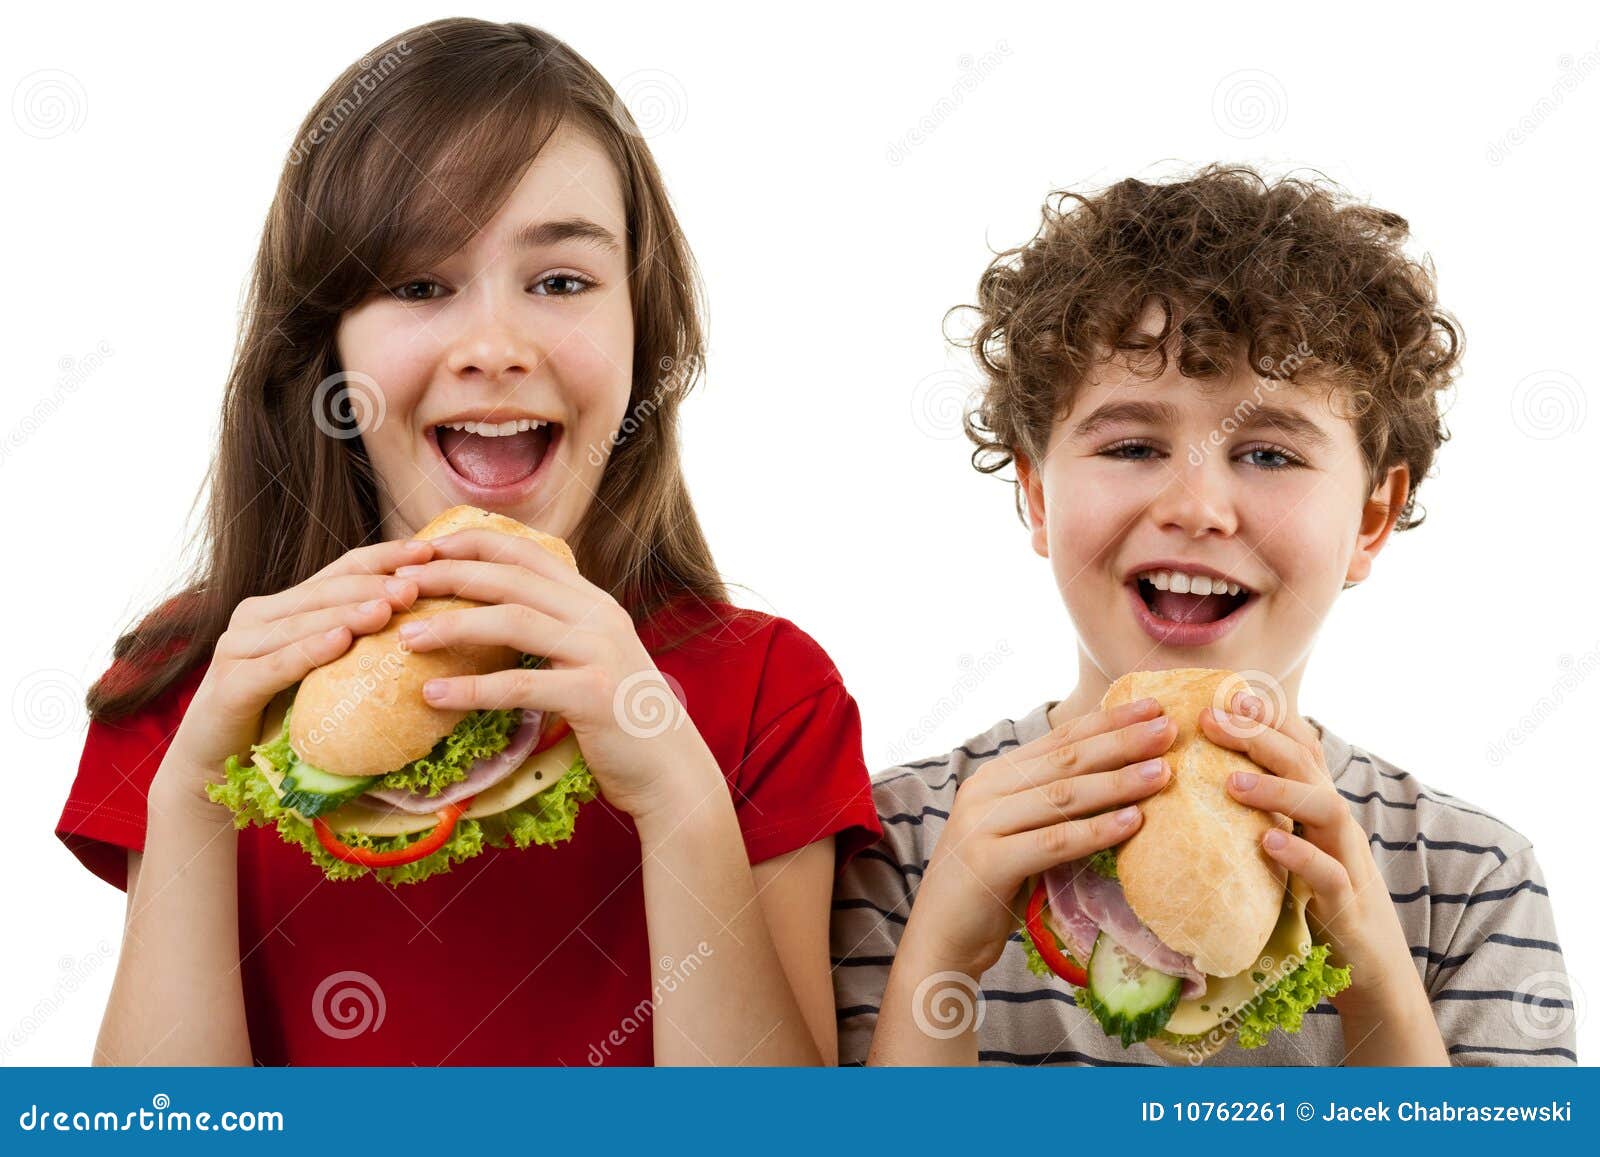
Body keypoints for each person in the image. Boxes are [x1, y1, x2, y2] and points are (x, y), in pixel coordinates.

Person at [57, 17, 879, 1066]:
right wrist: (190, 794)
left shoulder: (767, 691)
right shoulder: (195, 681)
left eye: (561, 282)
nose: (495, 347)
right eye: (418, 285)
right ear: (326, 350)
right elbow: (159, 1133)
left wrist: (680, 794)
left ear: (644, 332)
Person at [832, 166, 1576, 1066]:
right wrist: (940, 961)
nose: (1196, 508)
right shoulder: (897, 843)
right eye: (1132, 446)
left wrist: (1379, 983)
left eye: (1269, 454)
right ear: (1038, 496)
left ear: (1371, 518)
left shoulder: (1469, 878)